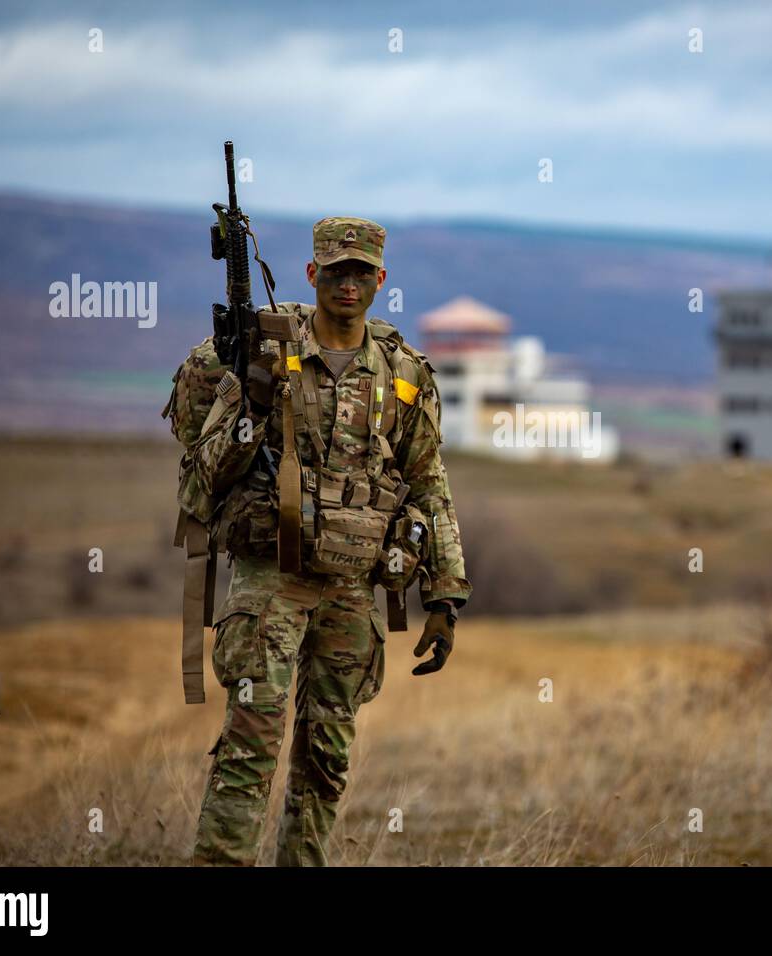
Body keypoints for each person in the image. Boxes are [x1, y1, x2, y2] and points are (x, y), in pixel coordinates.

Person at [163, 216, 472, 866]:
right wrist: (248, 392)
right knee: (251, 744)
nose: (349, 285)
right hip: (274, 577)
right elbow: (201, 462)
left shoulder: (401, 374)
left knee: (326, 757)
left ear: (380, 279)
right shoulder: (267, 351)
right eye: (336, 272)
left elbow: (428, 482)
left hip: (353, 586)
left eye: (361, 273)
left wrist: (443, 597)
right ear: (313, 274)